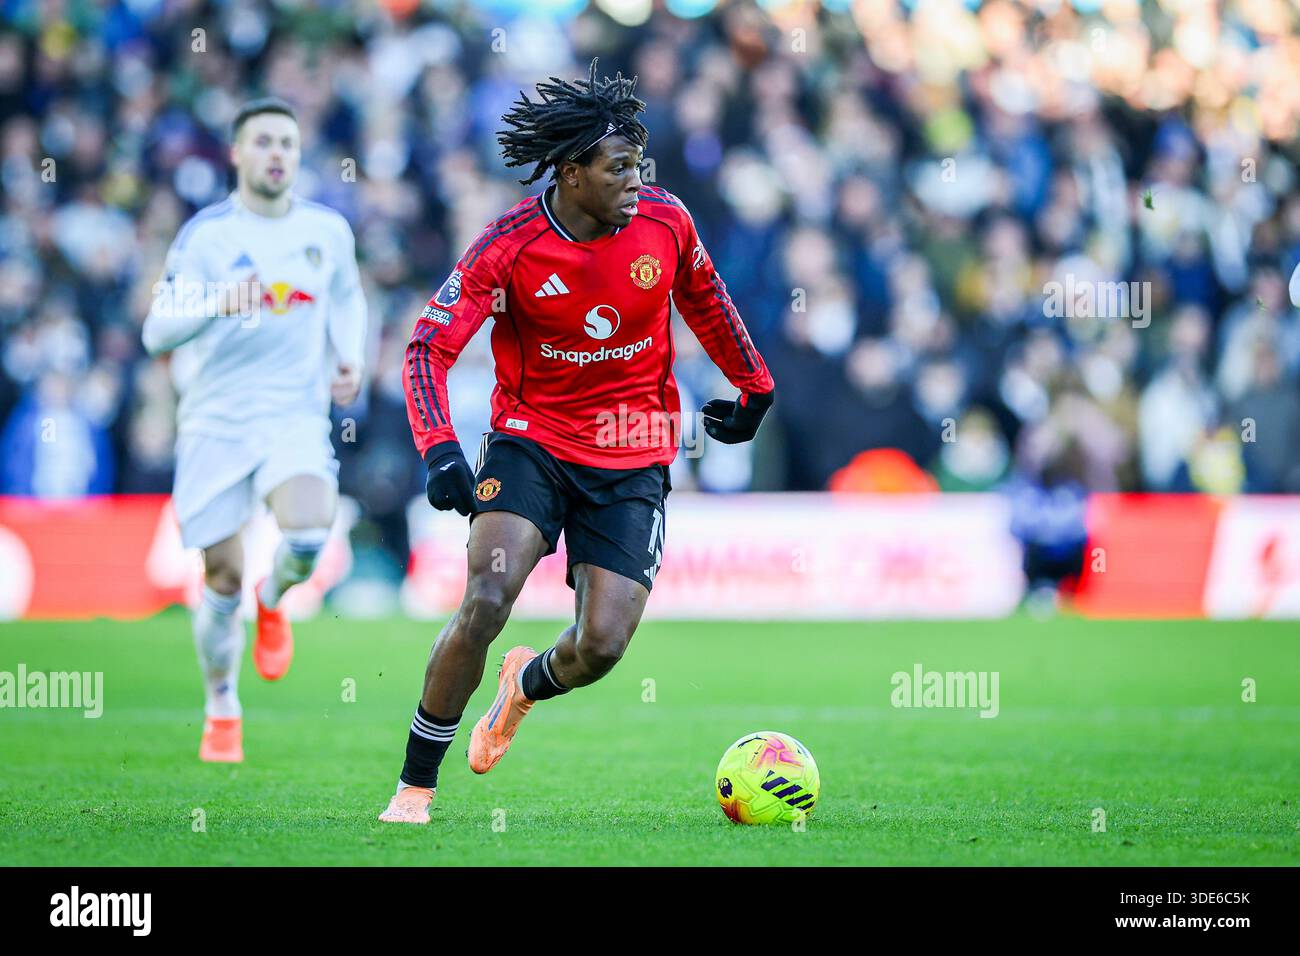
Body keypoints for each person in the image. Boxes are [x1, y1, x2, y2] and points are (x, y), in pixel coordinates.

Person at [379, 61, 775, 824]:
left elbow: (709, 302)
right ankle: (415, 786)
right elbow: (428, 346)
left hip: (635, 446)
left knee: (600, 646)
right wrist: (440, 448)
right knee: (488, 595)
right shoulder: (511, 245)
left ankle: (520, 691)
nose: (636, 182)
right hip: (533, 442)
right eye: (619, 168)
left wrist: (753, 388)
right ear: (571, 174)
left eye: (639, 166)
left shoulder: (667, 223)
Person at [142, 98, 367, 763]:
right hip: (214, 417)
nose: (277, 154)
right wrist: (217, 300)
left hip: (293, 412)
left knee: (305, 533)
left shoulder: (326, 231)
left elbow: (350, 296)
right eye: (263, 142)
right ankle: (221, 704)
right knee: (219, 576)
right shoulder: (206, 237)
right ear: (236, 154)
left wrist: (347, 353)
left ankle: (275, 600)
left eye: (288, 144)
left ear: (298, 157)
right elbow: (157, 329)